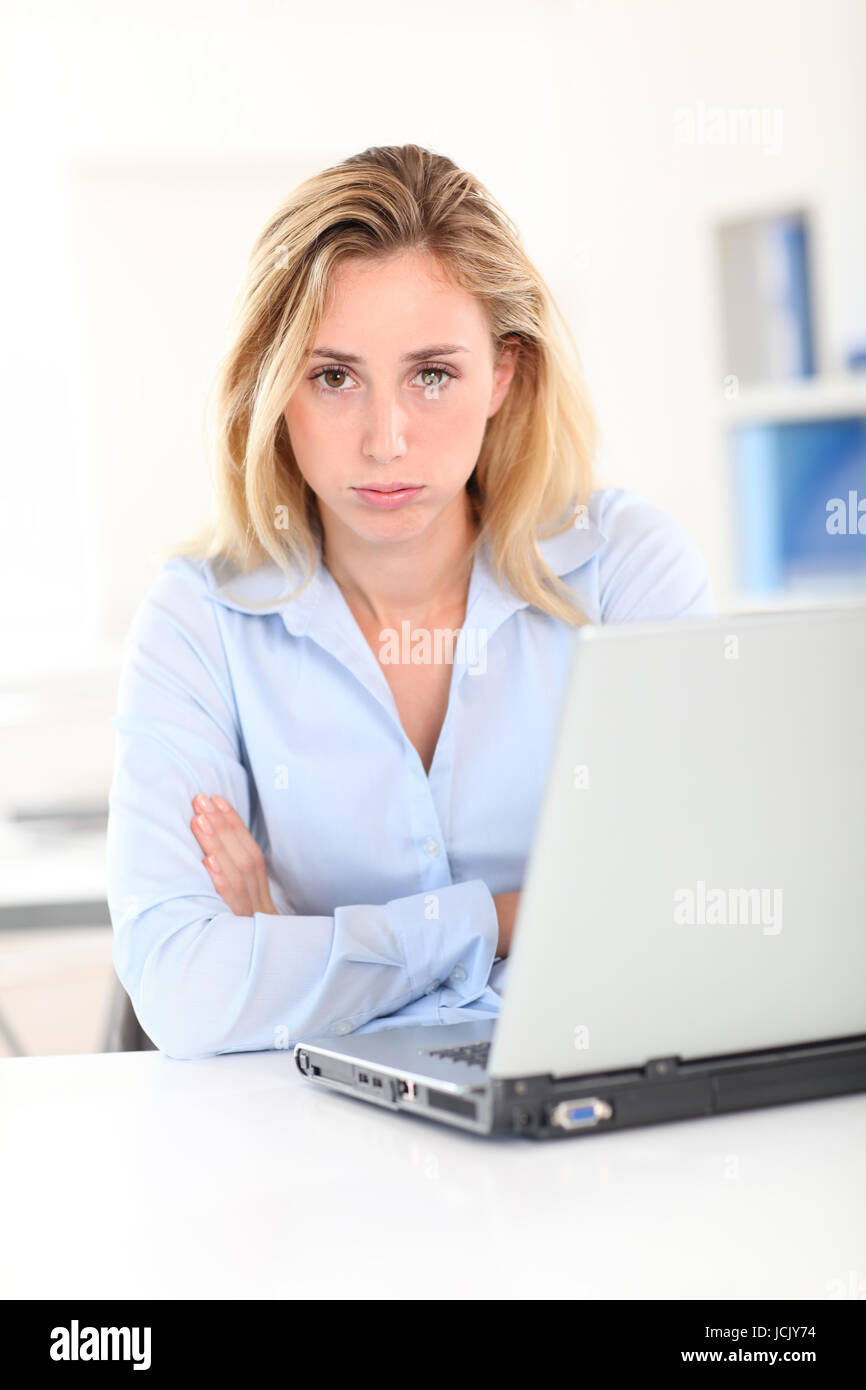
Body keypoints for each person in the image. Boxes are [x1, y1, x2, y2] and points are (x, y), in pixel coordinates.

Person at [106, 143, 714, 1060]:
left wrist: (293, 939)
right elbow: (185, 988)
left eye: (432, 374)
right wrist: (504, 919)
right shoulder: (200, 622)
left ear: (503, 375)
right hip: (309, 1148)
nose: (385, 440)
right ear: (275, 389)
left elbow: (697, 921)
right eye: (334, 377)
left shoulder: (625, 570)